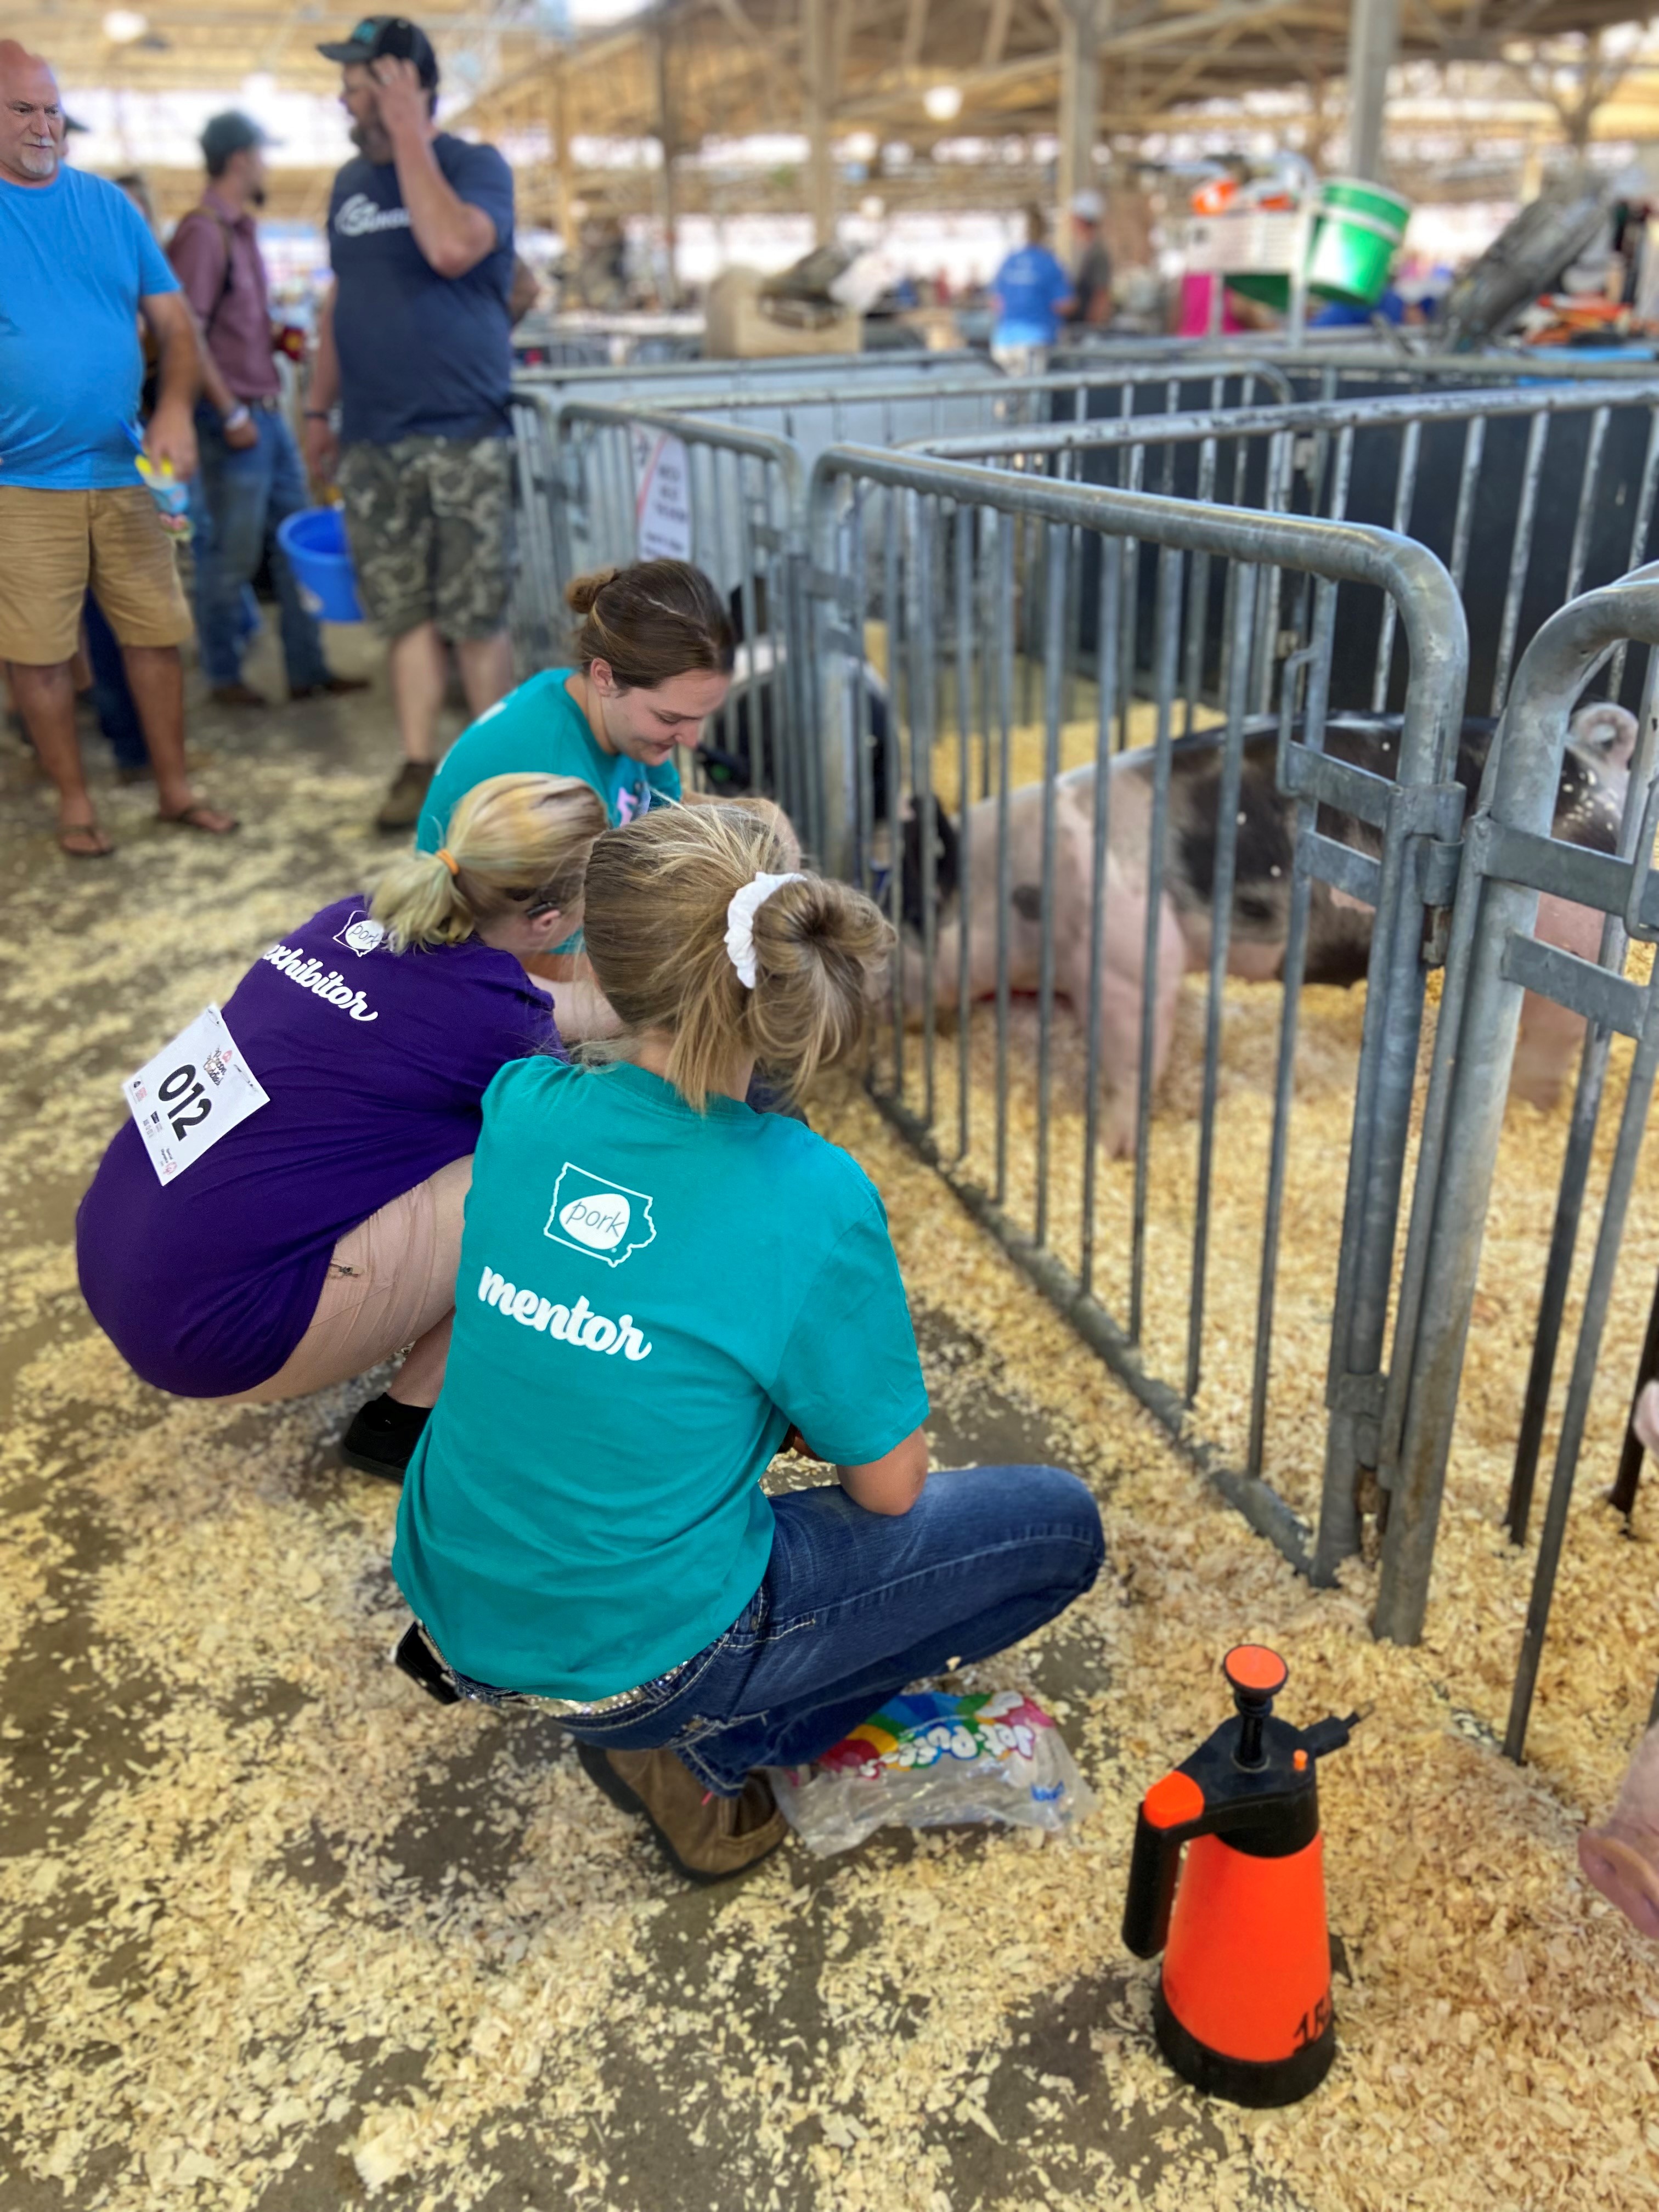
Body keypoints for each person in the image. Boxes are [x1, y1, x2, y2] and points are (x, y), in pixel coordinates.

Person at [390, 803, 1105, 1883]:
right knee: (1059, 1529)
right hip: (637, 1655)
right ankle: (714, 1745)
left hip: (448, 1590)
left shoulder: (522, 1103)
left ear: (589, 953)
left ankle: (635, 1703)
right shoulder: (814, 1194)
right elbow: (891, 1490)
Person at [76, 772, 606, 1481]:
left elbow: (495, 1004)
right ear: (547, 923)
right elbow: (575, 1108)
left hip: (113, 1257)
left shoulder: (351, 918)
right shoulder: (495, 1016)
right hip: (211, 1339)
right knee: (554, 1178)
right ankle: (402, 1422)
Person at [0, 41, 234, 858]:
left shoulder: (107, 207)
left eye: (50, 108)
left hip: (126, 466)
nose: (42, 126)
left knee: (155, 634)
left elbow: (175, 324)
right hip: (20, 482)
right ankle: (74, 800)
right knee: (38, 653)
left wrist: (173, 409)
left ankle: (173, 789)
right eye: (21, 109)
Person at [305, 15, 518, 832]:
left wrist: (409, 137)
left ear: (411, 88)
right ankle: (419, 764)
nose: (345, 100)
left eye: (364, 87)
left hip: (461, 429)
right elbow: (340, 300)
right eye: (350, 88)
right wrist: (321, 404)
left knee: (475, 615)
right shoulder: (348, 185)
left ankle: (495, 783)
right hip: (374, 435)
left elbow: (453, 248)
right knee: (404, 614)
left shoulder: (473, 167)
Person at [169, 111, 369, 710]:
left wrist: (275, 340)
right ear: (238, 160)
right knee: (229, 554)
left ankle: (307, 669)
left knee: (291, 543)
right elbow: (187, 330)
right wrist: (229, 411)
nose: (267, 166)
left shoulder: (242, 232)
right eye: (261, 154)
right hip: (234, 421)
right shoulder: (204, 232)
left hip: (265, 413)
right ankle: (223, 675)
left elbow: (229, 328)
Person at [415, 561, 738, 853]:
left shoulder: (615, 716)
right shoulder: (556, 787)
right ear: (605, 677)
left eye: (701, 717)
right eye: (670, 718)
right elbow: (587, 914)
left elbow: (667, 811)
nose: (693, 740)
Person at [989, 204, 1074, 377]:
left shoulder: (1009, 262)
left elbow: (996, 302)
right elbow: (1065, 304)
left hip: (1005, 340)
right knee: (1034, 398)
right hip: (1036, 342)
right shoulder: (1048, 263)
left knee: (1008, 394)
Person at [1066, 189, 1114, 330]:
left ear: (1081, 221)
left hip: (1086, 328)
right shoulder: (1084, 251)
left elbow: (1101, 295)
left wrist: (1092, 329)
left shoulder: (1097, 253)